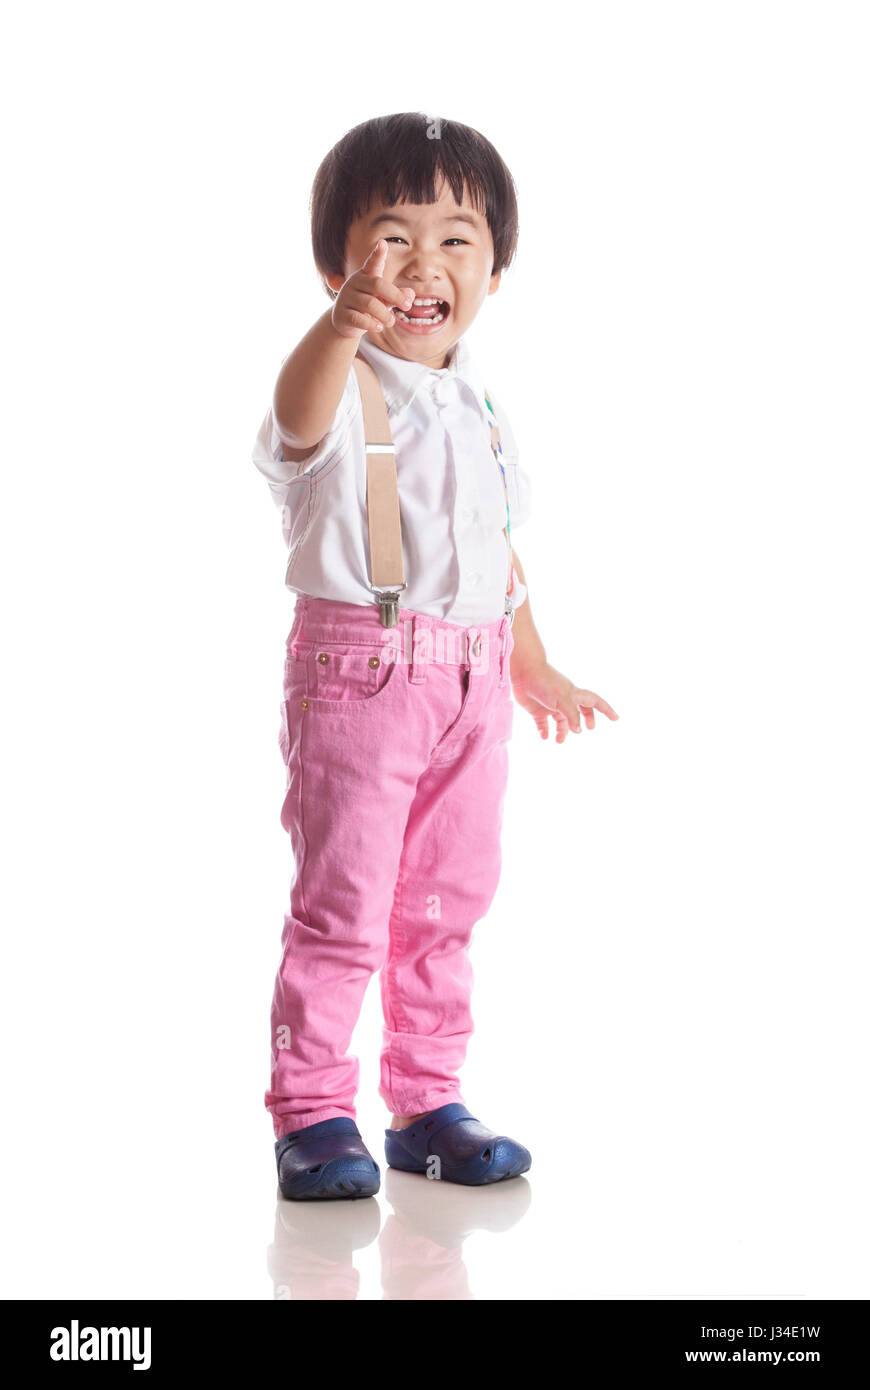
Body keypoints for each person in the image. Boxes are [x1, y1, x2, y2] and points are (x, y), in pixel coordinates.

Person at [252, 113, 619, 1200]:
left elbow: (497, 551)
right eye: (392, 238)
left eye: (457, 238)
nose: (424, 264)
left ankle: (425, 1098)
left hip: (473, 681)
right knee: (346, 900)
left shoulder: (485, 408)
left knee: (446, 899)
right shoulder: (335, 386)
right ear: (338, 265)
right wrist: (333, 329)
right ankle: (314, 1111)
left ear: (495, 269)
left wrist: (533, 662)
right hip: (362, 674)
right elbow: (294, 414)